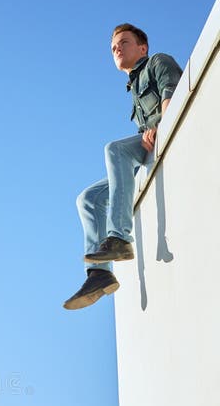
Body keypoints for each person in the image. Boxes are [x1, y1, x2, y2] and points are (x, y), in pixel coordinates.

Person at [64, 24, 183, 310]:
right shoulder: (132, 87)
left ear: (142, 47)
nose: (116, 48)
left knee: (114, 149)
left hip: (156, 137)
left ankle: (119, 237)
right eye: (113, 46)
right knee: (88, 199)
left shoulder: (157, 61)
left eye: (123, 42)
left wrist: (161, 126)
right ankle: (100, 274)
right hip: (144, 148)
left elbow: (172, 90)